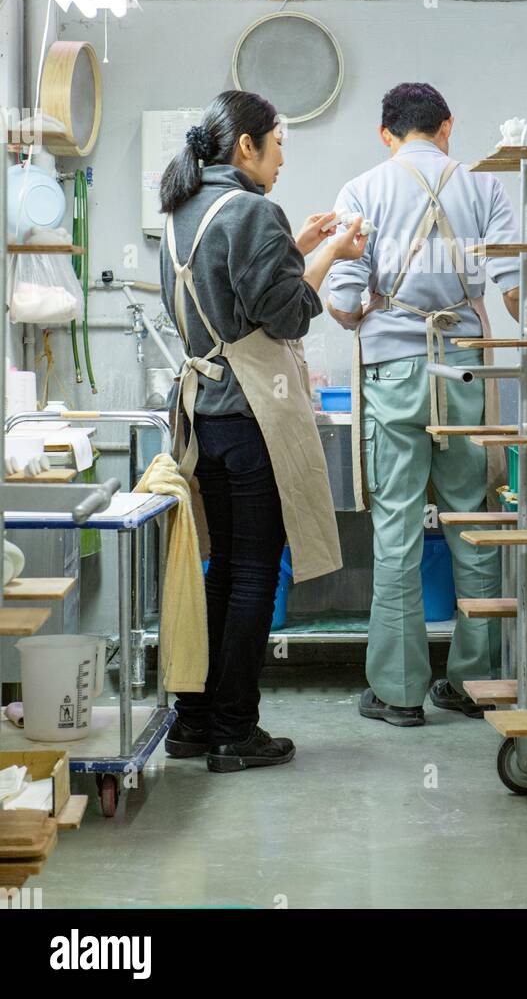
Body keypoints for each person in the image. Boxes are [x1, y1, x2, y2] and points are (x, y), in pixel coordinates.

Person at [158, 90, 366, 771]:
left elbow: (240, 295)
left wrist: (299, 244)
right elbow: (287, 315)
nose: (280, 161)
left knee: (221, 571)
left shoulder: (183, 211)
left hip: (205, 420)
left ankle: (196, 719)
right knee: (253, 577)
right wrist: (332, 252)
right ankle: (236, 731)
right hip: (251, 418)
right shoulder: (251, 210)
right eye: (277, 146)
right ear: (246, 145)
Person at [328, 82, 527, 727]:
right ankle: (474, 683)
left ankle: (398, 694)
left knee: (396, 528)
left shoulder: (361, 190)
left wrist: (367, 311)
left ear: (386, 134)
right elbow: (511, 283)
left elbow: (340, 302)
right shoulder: (485, 187)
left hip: (394, 371)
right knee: (473, 522)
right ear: (448, 125)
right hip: (465, 371)